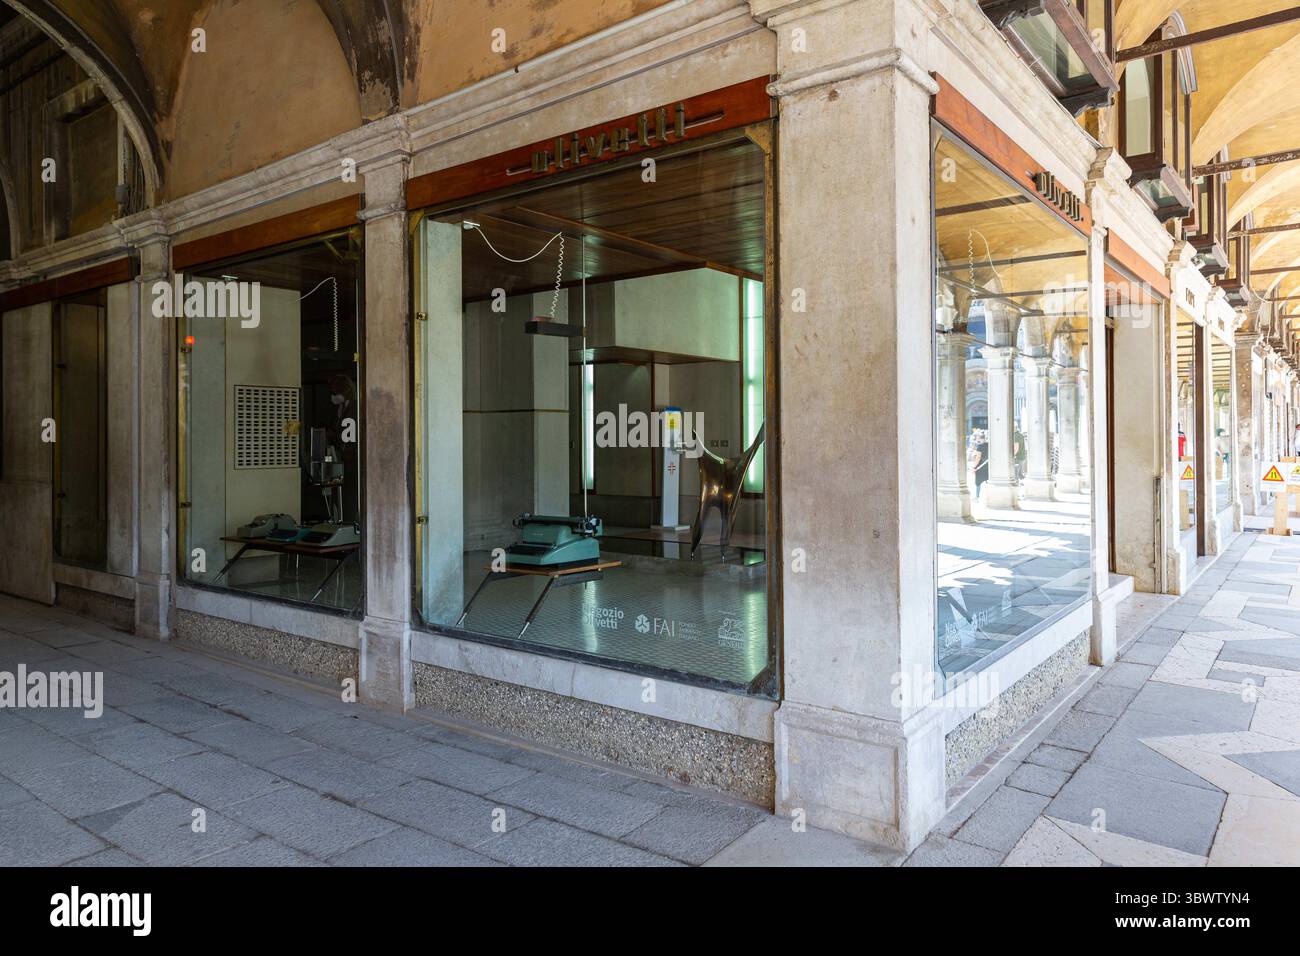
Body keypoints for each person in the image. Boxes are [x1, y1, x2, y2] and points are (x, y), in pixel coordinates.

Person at [972, 429, 989, 501]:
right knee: (988, 481)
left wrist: (974, 467)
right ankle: (988, 497)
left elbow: (978, 457)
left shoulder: (980, 446)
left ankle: (977, 497)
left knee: (978, 482)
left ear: (979, 438)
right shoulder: (989, 445)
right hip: (988, 466)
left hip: (980, 466)